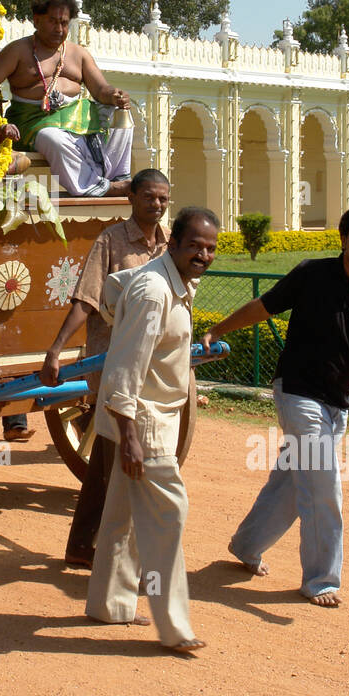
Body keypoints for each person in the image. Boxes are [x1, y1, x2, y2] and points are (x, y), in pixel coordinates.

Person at [201, 203, 349, 607]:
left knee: (294, 484)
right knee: (325, 482)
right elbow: (264, 307)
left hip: (337, 404)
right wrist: (217, 328)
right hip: (296, 392)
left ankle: (246, 545)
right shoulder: (312, 274)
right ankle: (321, 579)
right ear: (344, 239)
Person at [85, 207, 218, 655]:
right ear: (173, 244)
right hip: (143, 422)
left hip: (155, 417)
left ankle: (109, 604)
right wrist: (130, 437)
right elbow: (124, 368)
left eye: (210, 248)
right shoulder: (153, 291)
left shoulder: (179, 283)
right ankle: (175, 626)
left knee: (122, 516)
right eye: (195, 245)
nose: (202, 254)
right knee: (168, 516)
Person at [37, 169, 171, 568]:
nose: (157, 205)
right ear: (131, 197)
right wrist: (56, 350)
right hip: (114, 364)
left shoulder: (169, 247)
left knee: (110, 459)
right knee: (112, 458)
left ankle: (87, 546)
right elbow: (87, 299)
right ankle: (95, 548)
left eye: (163, 198)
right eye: (149, 197)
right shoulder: (111, 240)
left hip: (152, 364)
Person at [0, 0, 132, 197]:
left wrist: (115, 95)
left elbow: (100, 90)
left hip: (76, 115)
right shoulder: (18, 51)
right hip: (34, 121)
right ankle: (93, 187)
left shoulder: (78, 53)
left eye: (64, 23)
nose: (59, 29)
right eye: (53, 21)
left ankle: (117, 178)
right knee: (52, 138)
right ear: (37, 20)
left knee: (121, 114)